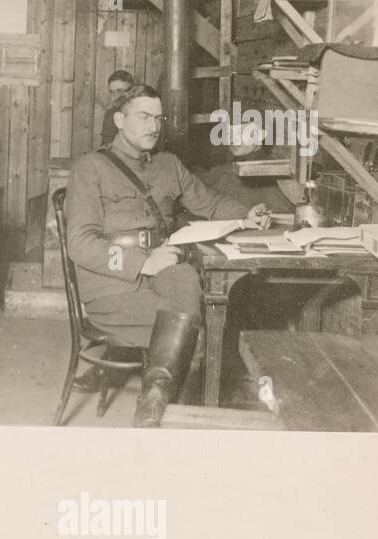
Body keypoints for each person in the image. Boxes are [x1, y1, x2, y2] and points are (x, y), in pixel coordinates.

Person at [64, 85, 270, 427]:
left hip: (164, 274)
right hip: (112, 287)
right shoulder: (90, 169)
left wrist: (245, 215)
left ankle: (155, 405)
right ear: (119, 120)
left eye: (158, 118)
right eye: (143, 117)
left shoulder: (168, 164)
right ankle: (163, 407)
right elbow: (81, 244)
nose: (154, 126)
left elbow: (210, 202)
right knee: (202, 324)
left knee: (187, 278)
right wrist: (142, 262)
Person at [99, 69, 135, 147]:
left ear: (131, 91)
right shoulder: (110, 114)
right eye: (112, 92)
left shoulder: (143, 113)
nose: (115, 97)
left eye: (119, 91)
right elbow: (105, 146)